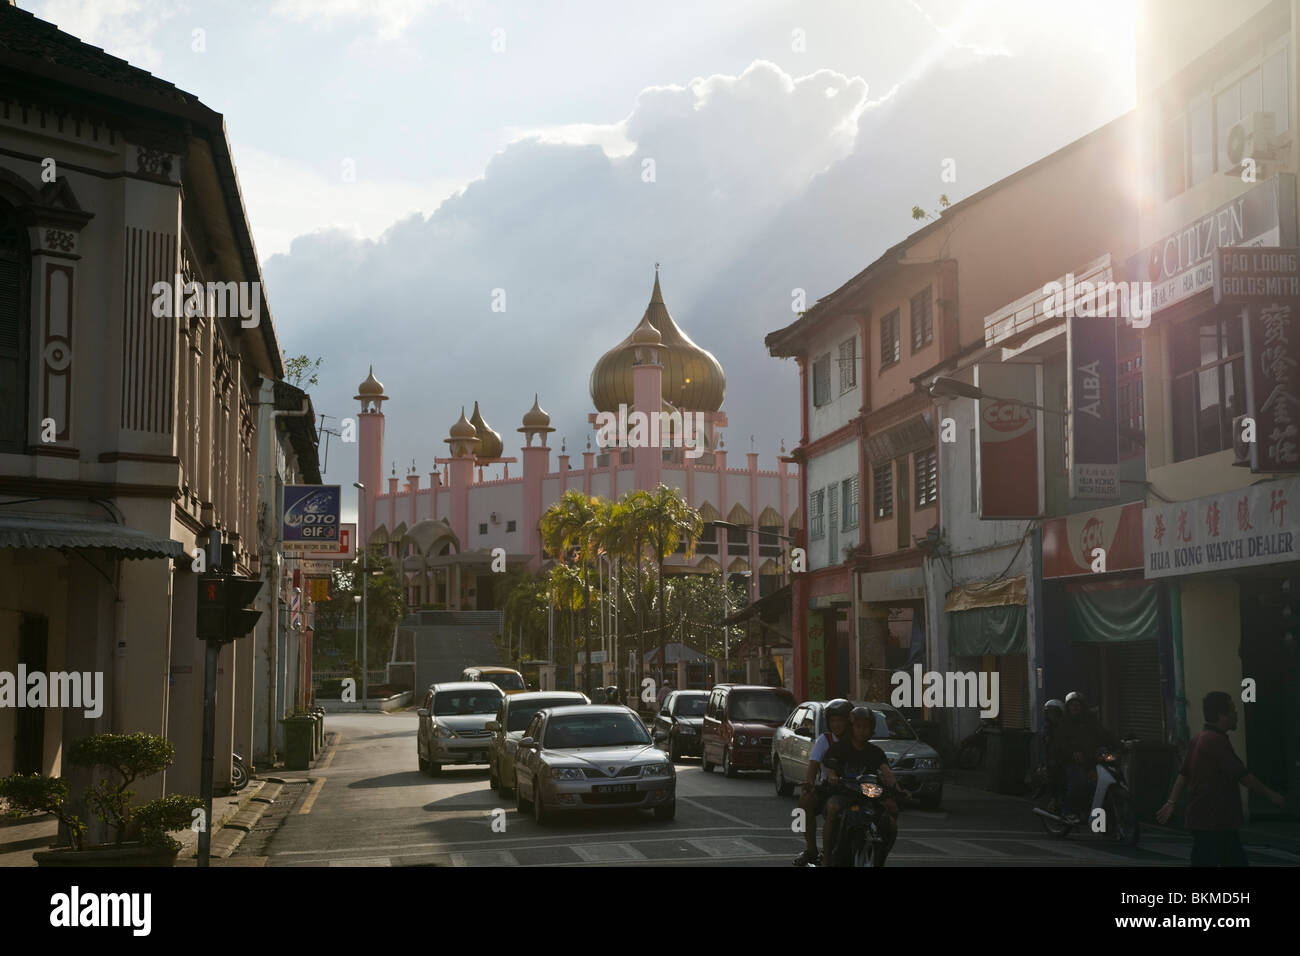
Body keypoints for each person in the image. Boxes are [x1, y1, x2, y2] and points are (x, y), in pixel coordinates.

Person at [1156, 691, 1285, 866]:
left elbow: (1183, 775)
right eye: (1233, 710)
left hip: (1209, 820)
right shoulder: (1215, 741)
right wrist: (1271, 795)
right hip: (1213, 820)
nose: (1236, 714)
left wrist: (1171, 802)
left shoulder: (1199, 738)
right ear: (1221, 715)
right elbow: (1243, 775)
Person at [821, 706, 901, 866]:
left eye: (866, 727)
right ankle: (827, 858)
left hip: (869, 793)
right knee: (832, 808)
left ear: (871, 729)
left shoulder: (876, 752)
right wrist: (833, 776)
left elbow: (886, 771)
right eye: (858, 726)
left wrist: (898, 789)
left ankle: (881, 856)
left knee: (892, 815)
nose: (862, 731)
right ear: (852, 728)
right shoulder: (839, 747)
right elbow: (829, 765)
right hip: (844, 792)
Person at [791, 698, 851, 867]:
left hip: (853, 790)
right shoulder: (824, 740)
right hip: (829, 788)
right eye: (833, 721)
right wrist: (809, 784)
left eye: (841, 720)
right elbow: (813, 765)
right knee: (804, 803)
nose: (837, 725)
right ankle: (811, 850)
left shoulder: (857, 739)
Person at [1040, 699, 1066, 812]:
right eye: (1048, 712)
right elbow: (1047, 741)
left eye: (1053, 712)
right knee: (1055, 779)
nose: (1051, 715)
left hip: (1065, 757)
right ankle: (1055, 800)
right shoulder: (1048, 726)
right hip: (1053, 759)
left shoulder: (1065, 725)